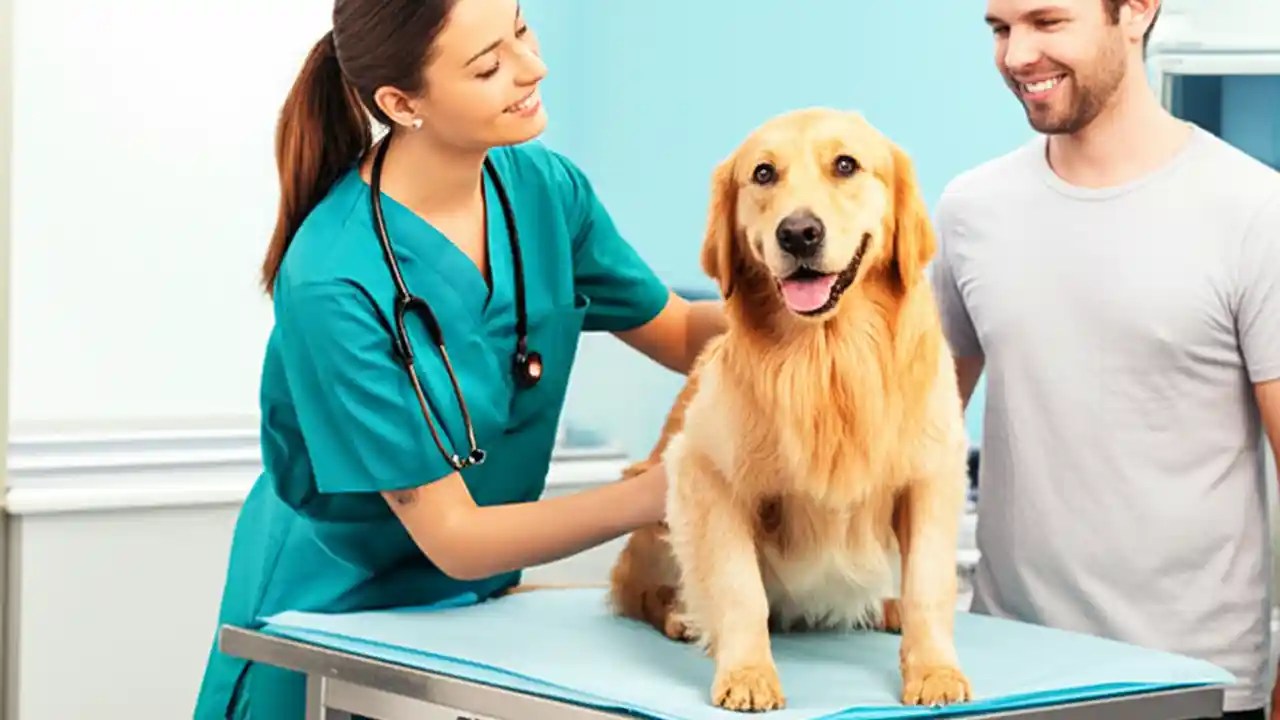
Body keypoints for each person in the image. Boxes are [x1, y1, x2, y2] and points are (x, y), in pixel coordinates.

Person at [192, 0, 726, 716]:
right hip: (333, 618)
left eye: (522, 30)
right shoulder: (334, 278)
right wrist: (664, 491)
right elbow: (456, 538)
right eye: (488, 65)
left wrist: (810, 313)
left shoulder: (544, 191)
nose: (533, 68)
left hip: (476, 612)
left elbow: (684, 330)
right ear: (400, 102)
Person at [930, 0, 1280, 717]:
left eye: (1046, 22)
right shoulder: (971, 210)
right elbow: (914, 433)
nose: (1017, 55)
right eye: (1000, 29)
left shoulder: (1253, 210)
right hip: (1009, 676)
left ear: (1138, 11)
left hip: (1194, 683)